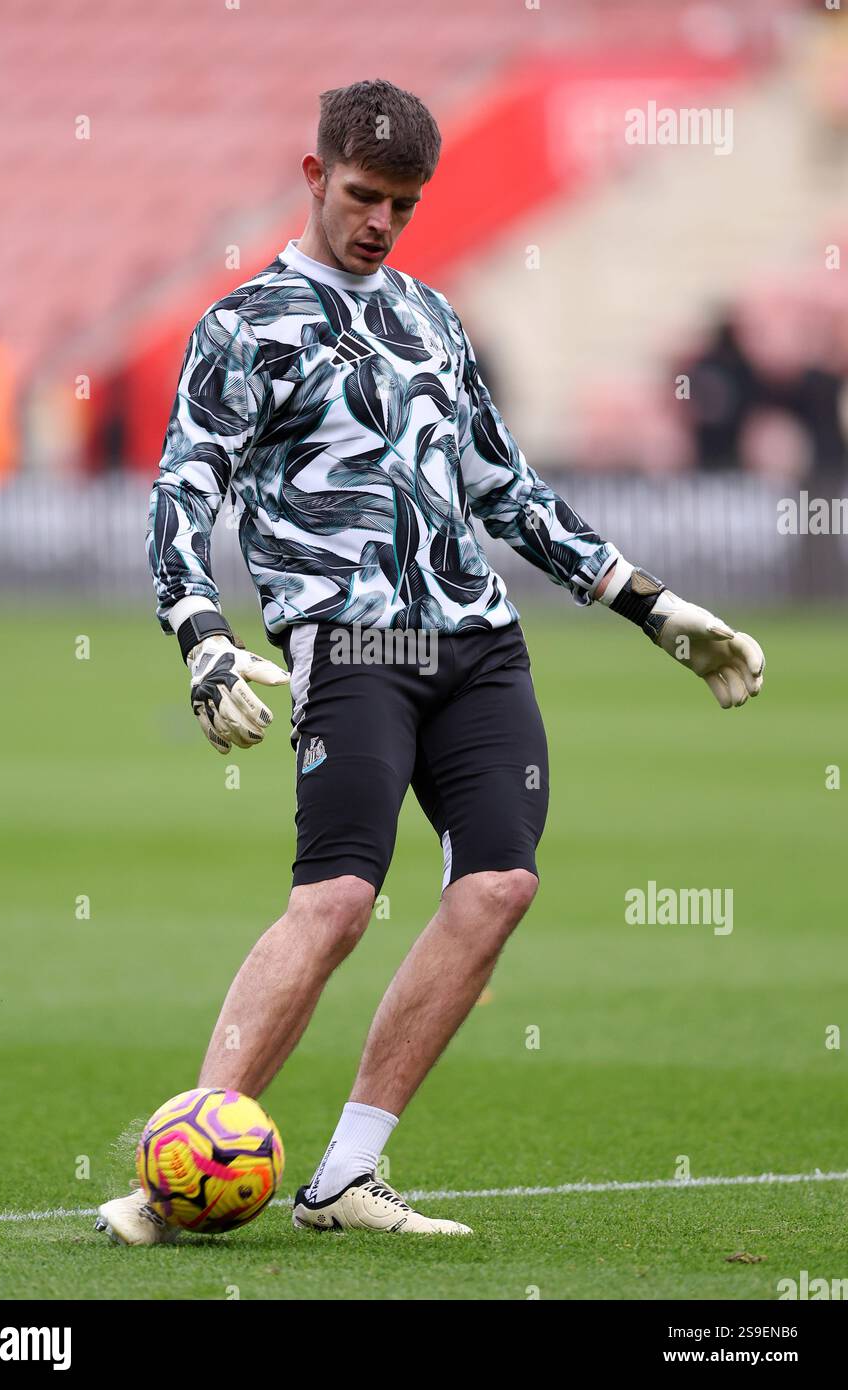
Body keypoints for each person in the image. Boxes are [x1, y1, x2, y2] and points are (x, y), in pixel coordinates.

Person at [97, 79, 765, 1244]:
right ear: (313, 176)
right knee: (340, 898)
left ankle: (346, 1176)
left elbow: (506, 488)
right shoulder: (242, 326)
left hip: (478, 643)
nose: (380, 223)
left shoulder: (432, 318)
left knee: (501, 886)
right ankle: (178, 1172)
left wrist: (651, 606)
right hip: (351, 642)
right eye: (362, 195)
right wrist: (202, 631)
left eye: (402, 204)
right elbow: (183, 489)